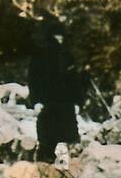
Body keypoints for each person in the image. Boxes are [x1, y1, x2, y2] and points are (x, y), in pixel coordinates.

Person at [28, 14, 84, 162]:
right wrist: (36, 101)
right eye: (56, 36)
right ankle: (44, 169)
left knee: (67, 142)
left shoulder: (67, 56)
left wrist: (77, 101)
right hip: (48, 104)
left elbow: (74, 81)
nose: (59, 40)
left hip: (65, 105)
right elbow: (34, 81)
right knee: (47, 142)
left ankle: (66, 174)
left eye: (61, 37)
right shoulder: (40, 56)